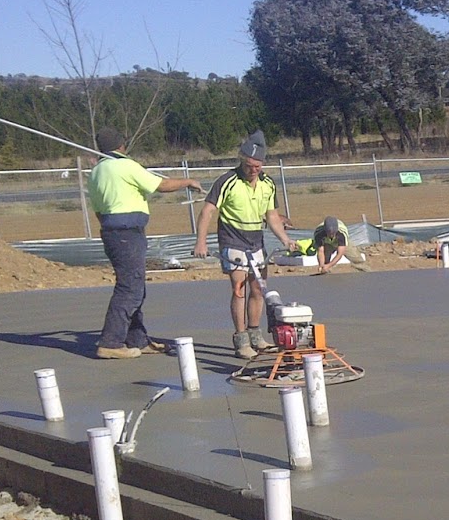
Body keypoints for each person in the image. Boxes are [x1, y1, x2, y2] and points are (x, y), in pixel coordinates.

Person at [86, 127, 202, 359]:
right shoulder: (125, 166)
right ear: (121, 145)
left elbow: (98, 210)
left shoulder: (97, 171)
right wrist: (187, 182)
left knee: (134, 286)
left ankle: (137, 339)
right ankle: (111, 341)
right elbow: (159, 184)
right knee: (129, 288)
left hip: (112, 230)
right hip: (127, 233)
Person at [193, 130, 295, 359]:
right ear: (242, 160)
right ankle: (241, 340)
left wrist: (285, 240)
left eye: (258, 166)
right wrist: (201, 241)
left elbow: (272, 216)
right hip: (233, 239)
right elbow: (208, 211)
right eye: (250, 165)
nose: (253, 170)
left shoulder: (268, 184)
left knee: (258, 288)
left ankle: (255, 334)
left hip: (256, 240)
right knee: (239, 290)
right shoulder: (227, 181)